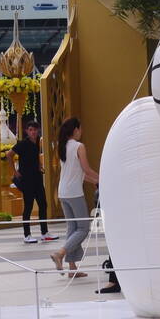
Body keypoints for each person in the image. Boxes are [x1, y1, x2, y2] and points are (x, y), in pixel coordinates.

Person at [50, 118, 99, 279]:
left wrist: (95, 181)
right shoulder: (79, 146)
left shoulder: (63, 146)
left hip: (63, 192)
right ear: (76, 130)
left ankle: (72, 268)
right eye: (80, 128)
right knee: (83, 228)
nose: (81, 131)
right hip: (74, 192)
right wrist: (102, 178)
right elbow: (86, 168)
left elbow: (80, 173)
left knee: (72, 228)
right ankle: (60, 253)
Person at [13, 122, 56, 244]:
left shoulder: (37, 142)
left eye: (35, 130)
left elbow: (36, 155)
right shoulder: (22, 144)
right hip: (27, 180)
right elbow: (9, 155)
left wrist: (40, 165)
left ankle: (44, 233)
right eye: (31, 130)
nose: (33, 132)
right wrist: (14, 171)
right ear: (27, 131)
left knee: (43, 204)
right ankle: (27, 235)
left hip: (37, 178)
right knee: (28, 207)